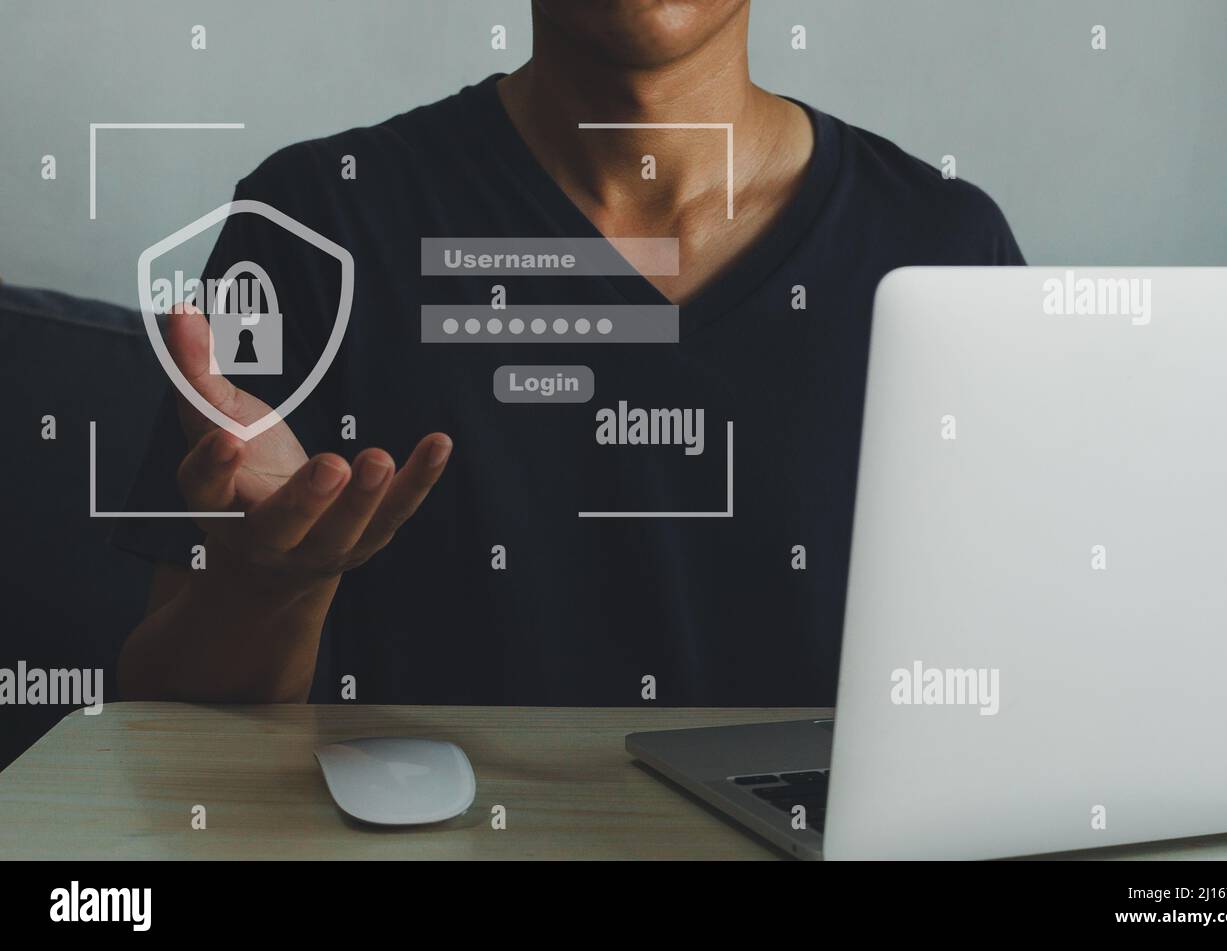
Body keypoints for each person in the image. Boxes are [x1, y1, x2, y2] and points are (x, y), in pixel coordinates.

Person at [114, 0, 1023, 706]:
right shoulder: (313, 228)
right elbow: (157, 728)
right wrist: (271, 590)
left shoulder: (944, 249)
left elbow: (1025, 677)